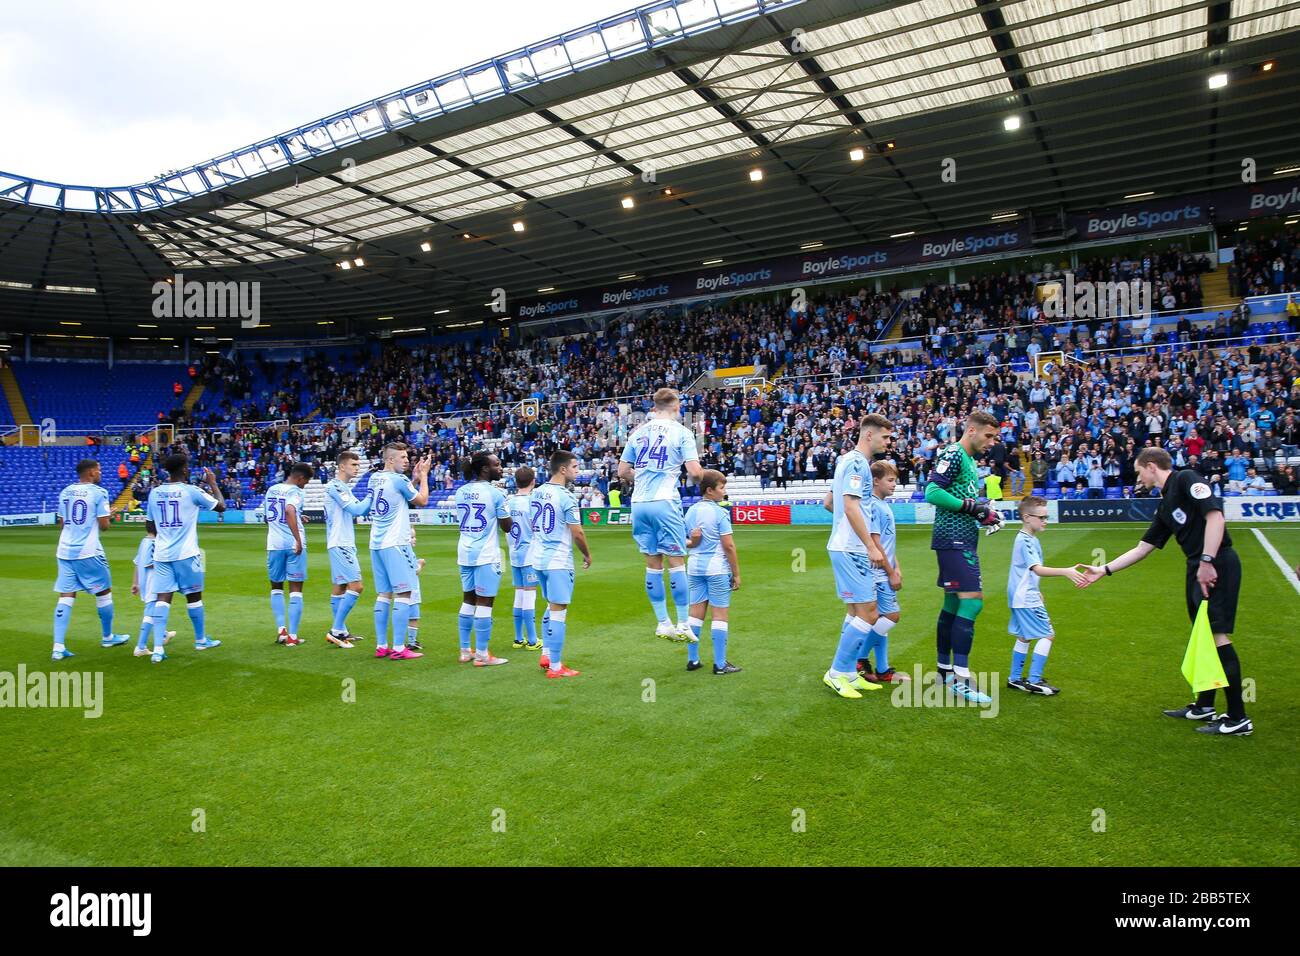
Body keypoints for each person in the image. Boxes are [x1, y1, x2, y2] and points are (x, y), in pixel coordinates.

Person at [1077, 448, 1252, 736]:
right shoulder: (1164, 504)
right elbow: (1142, 549)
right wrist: (1103, 570)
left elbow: (1216, 518)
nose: (1138, 477)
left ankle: (1238, 717)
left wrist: (1207, 561)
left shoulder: (1185, 479)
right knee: (1203, 638)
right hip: (1197, 566)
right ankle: (1205, 704)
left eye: (1138, 471)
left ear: (1150, 466)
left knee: (1217, 636)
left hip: (1217, 562)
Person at [924, 410, 1004, 703]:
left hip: (960, 538)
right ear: (971, 430)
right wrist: (974, 510)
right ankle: (960, 679)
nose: (992, 442)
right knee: (973, 604)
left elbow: (963, 501)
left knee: (953, 605)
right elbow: (932, 492)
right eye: (989, 435)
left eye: (995, 437)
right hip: (953, 540)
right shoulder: (954, 453)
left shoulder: (969, 460)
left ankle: (945, 673)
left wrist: (985, 513)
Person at [617, 387, 704, 641]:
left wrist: (641, 477)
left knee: (652, 564)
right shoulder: (682, 432)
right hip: (665, 500)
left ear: (654, 408)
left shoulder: (638, 433)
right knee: (676, 561)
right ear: (676, 408)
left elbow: (622, 471)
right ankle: (683, 623)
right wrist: (695, 477)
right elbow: (695, 472)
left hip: (639, 502)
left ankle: (662, 622)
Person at [822, 414, 894, 700]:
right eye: (885, 437)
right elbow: (850, 507)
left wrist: (845, 526)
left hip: (845, 544)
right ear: (869, 435)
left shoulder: (850, 461)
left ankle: (850, 672)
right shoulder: (856, 463)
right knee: (870, 613)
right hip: (851, 549)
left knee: (856, 612)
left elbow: (830, 503)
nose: (888, 442)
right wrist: (870, 545)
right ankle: (837, 673)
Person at [144, 453, 226, 663]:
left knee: (163, 598)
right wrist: (214, 484)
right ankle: (200, 640)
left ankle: (158, 650)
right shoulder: (191, 491)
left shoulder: (155, 493)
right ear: (184, 469)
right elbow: (221, 506)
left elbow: (150, 526)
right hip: (188, 553)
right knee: (194, 597)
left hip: (161, 554)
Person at [1005, 496, 1087, 695]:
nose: (1045, 521)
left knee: (1024, 636)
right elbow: (1037, 569)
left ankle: (1015, 678)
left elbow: (1025, 571)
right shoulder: (1026, 540)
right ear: (1026, 517)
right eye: (1042, 517)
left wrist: (1037, 590)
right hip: (1025, 597)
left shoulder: (1028, 538)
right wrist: (1066, 571)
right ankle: (1034, 680)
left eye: (1046, 517)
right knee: (1047, 634)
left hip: (1020, 594)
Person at [51, 458, 130, 660]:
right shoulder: (99, 493)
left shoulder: (65, 491)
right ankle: (108, 636)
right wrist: (109, 515)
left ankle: (58, 646)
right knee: (104, 591)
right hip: (88, 551)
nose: (101, 473)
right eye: (99, 470)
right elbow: (104, 526)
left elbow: (62, 523)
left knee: (66, 595)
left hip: (64, 549)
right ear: (91, 473)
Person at [527, 451, 592, 679]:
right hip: (558, 560)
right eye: (574, 466)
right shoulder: (566, 497)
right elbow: (578, 532)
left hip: (538, 559)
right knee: (558, 612)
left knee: (549, 605)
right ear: (563, 469)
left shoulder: (536, 493)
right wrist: (587, 555)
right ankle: (555, 667)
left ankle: (546, 654)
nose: (577, 470)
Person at [368, 442, 431, 660]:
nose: (407, 460)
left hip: (376, 544)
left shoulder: (375, 478)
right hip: (396, 543)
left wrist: (412, 479)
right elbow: (422, 500)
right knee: (404, 593)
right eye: (403, 457)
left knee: (384, 594)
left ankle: (381, 645)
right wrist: (423, 476)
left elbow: (398, 494)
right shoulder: (399, 480)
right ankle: (398, 648)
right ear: (391, 459)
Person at [453, 451, 512, 666]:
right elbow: (507, 526)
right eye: (497, 464)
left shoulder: (461, 491)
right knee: (485, 602)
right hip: (486, 553)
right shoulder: (495, 494)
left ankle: (464, 650)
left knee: (468, 600)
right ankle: (482, 655)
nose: (500, 467)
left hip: (465, 551)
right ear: (485, 469)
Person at [683, 469, 741, 675]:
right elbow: (729, 546)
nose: (724, 492)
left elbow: (683, 542)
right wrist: (736, 573)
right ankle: (720, 663)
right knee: (720, 614)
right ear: (709, 490)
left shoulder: (690, 511)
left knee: (695, 614)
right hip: (716, 568)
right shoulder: (720, 513)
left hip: (694, 567)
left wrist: (695, 542)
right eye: (721, 488)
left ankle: (693, 659)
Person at [858, 460, 909, 684]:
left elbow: (888, 544)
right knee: (891, 616)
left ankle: (883, 670)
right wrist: (890, 572)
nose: (894, 484)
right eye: (890, 480)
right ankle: (858, 657)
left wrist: (896, 567)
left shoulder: (882, 504)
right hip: (878, 571)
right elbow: (876, 543)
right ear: (875, 481)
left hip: (884, 569)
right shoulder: (874, 506)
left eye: (895, 480)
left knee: (882, 623)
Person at [323, 450, 373, 648]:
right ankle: (335, 630)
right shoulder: (336, 487)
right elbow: (358, 510)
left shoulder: (342, 487)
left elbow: (359, 508)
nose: (357, 468)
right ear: (342, 466)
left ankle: (341, 630)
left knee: (341, 586)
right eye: (353, 465)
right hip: (340, 542)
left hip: (339, 542)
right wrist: (373, 493)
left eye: (358, 465)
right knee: (356, 586)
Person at [265, 462, 312, 647]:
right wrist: (298, 539)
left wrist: (299, 517)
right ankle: (292, 636)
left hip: (274, 544)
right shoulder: (296, 492)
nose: (305, 485)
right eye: (306, 482)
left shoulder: (272, 490)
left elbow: (271, 517)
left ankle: (281, 631)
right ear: (300, 478)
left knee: (276, 587)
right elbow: (289, 510)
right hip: (293, 546)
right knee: (295, 590)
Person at [506, 465, 542, 650]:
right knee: (529, 595)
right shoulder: (532, 502)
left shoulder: (508, 502)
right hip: (529, 554)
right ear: (533, 481)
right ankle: (533, 640)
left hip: (514, 553)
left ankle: (518, 638)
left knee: (519, 594)